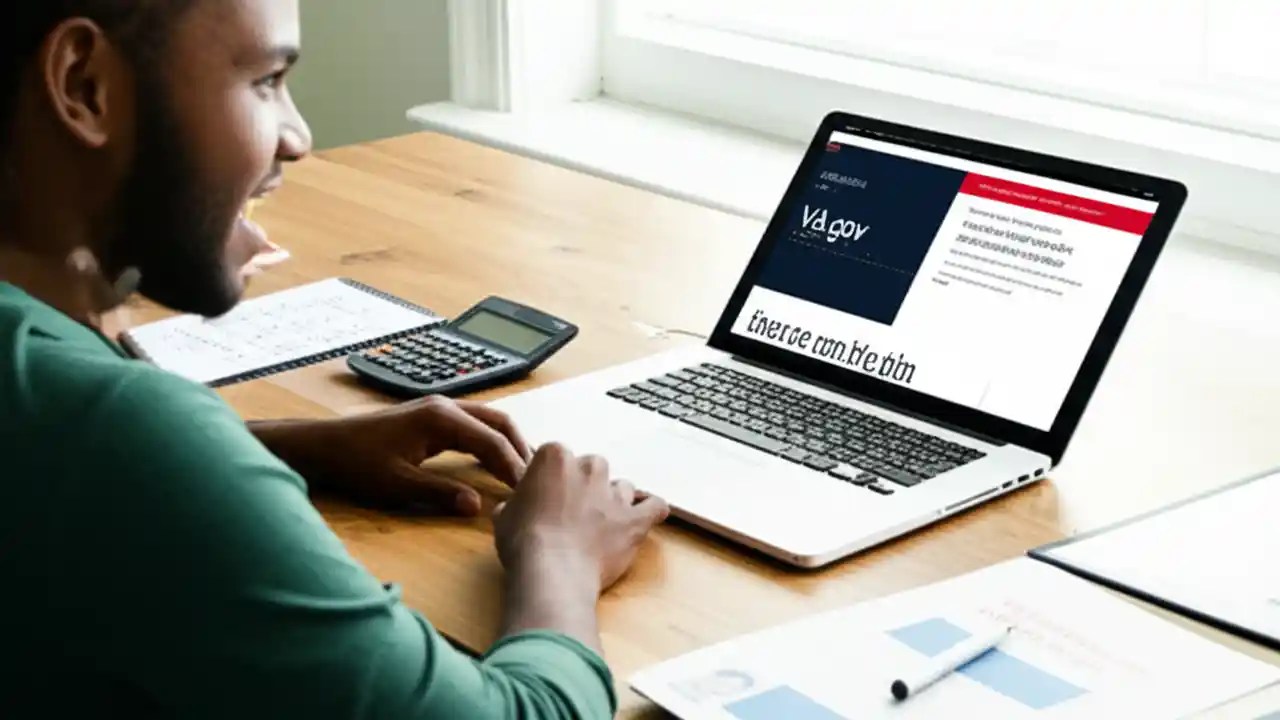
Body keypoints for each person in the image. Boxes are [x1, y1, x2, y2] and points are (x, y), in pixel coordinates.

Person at [0, 1, 669, 717]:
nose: (297, 136)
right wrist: (562, 554)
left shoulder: (52, 402)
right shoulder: (115, 434)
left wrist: (268, 450)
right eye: (265, 80)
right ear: (83, 86)